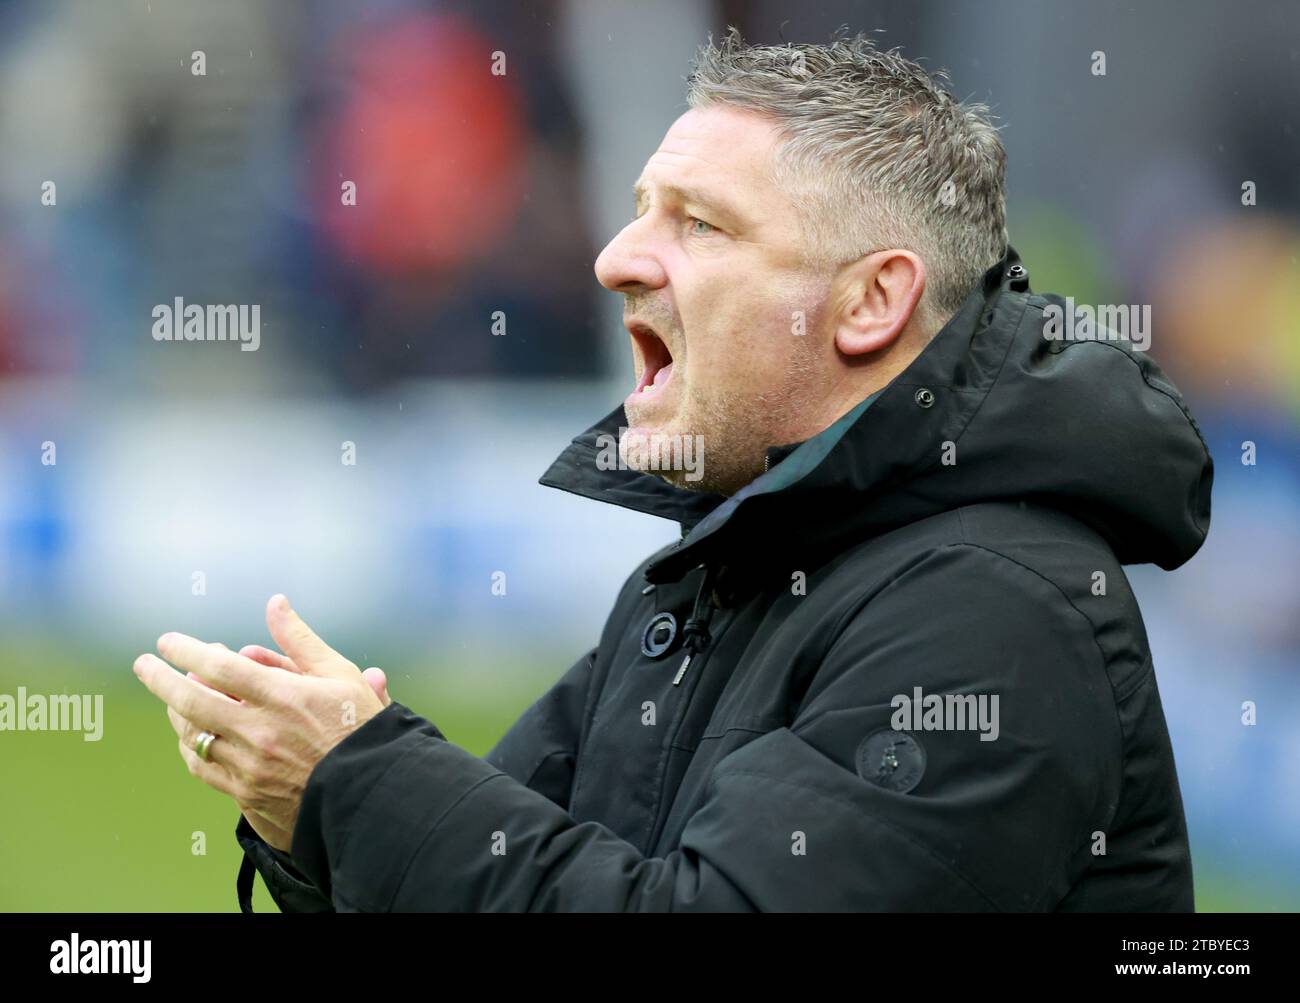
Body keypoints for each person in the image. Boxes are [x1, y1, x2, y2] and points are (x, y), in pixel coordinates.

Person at [132, 29, 1212, 912]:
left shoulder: (992, 610)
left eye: (699, 223)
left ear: (870, 303)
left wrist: (356, 778)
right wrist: (311, 817)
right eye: (640, 208)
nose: (615, 258)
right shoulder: (713, 574)